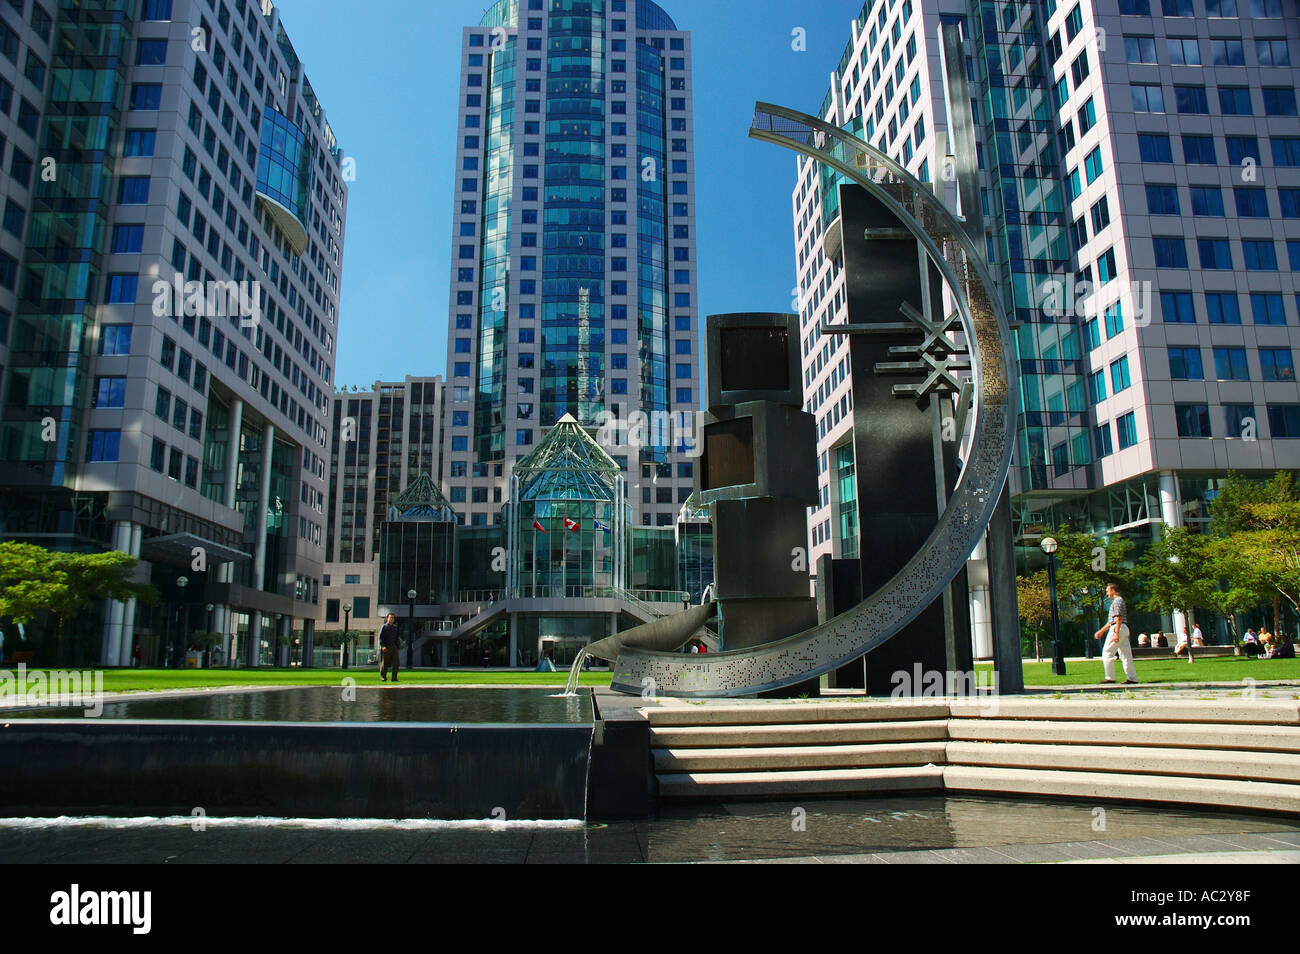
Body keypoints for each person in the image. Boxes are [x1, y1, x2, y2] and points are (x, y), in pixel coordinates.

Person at [1095, 581, 1138, 685]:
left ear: (1113, 590)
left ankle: (1110, 677)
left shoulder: (1117, 601)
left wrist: (1116, 633)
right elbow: (1111, 621)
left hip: (1118, 628)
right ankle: (1132, 678)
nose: (1107, 594)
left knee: (1107, 652)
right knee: (1125, 655)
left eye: (1108, 591)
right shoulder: (1118, 601)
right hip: (1122, 628)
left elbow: (1118, 618)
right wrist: (1101, 631)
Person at [378, 613, 400, 683]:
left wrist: (398, 648)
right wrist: (382, 646)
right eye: (390, 617)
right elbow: (381, 638)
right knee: (384, 663)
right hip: (386, 647)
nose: (391, 619)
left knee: (396, 663)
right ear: (387, 618)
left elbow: (397, 639)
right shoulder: (384, 627)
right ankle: (383, 677)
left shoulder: (395, 628)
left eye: (393, 618)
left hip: (394, 647)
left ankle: (394, 678)